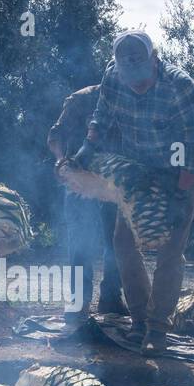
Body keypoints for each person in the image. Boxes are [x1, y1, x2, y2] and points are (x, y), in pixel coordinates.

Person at [66, 32, 194, 356]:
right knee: (123, 243)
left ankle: (158, 330)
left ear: (154, 60)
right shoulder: (113, 77)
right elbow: (100, 118)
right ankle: (140, 321)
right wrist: (86, 149)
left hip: (180, 171)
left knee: (170, 249)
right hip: (137, 169)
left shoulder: (181, 88)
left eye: (141, 76)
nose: (136, 83)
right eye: (129, 76)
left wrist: (180, 197)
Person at [47, 85, 124, 320]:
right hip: (79, 181)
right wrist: (61, 160)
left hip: (113, 182)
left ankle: (111, 299)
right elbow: (55, 135)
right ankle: (79, 302)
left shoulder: (131, 99)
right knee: (81, 241)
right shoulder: (82, 99)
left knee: (117, 242)